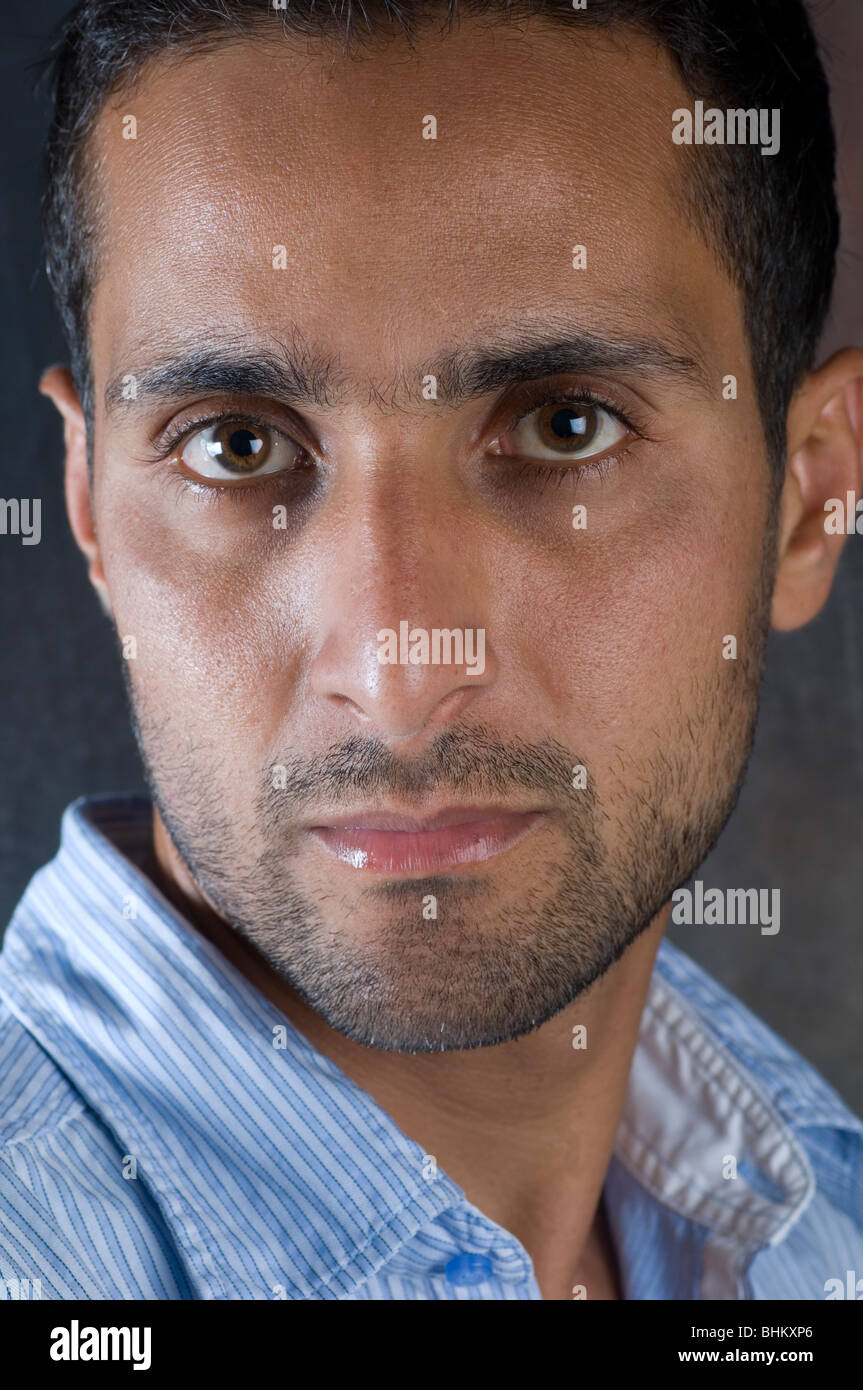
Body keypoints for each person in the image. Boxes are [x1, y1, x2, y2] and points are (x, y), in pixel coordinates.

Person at [1, 0, 861, 1301]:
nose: (398, 674)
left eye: (567, 425)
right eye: (236, 444)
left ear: (810, 498)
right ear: (90, 514)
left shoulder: (823, 1213)